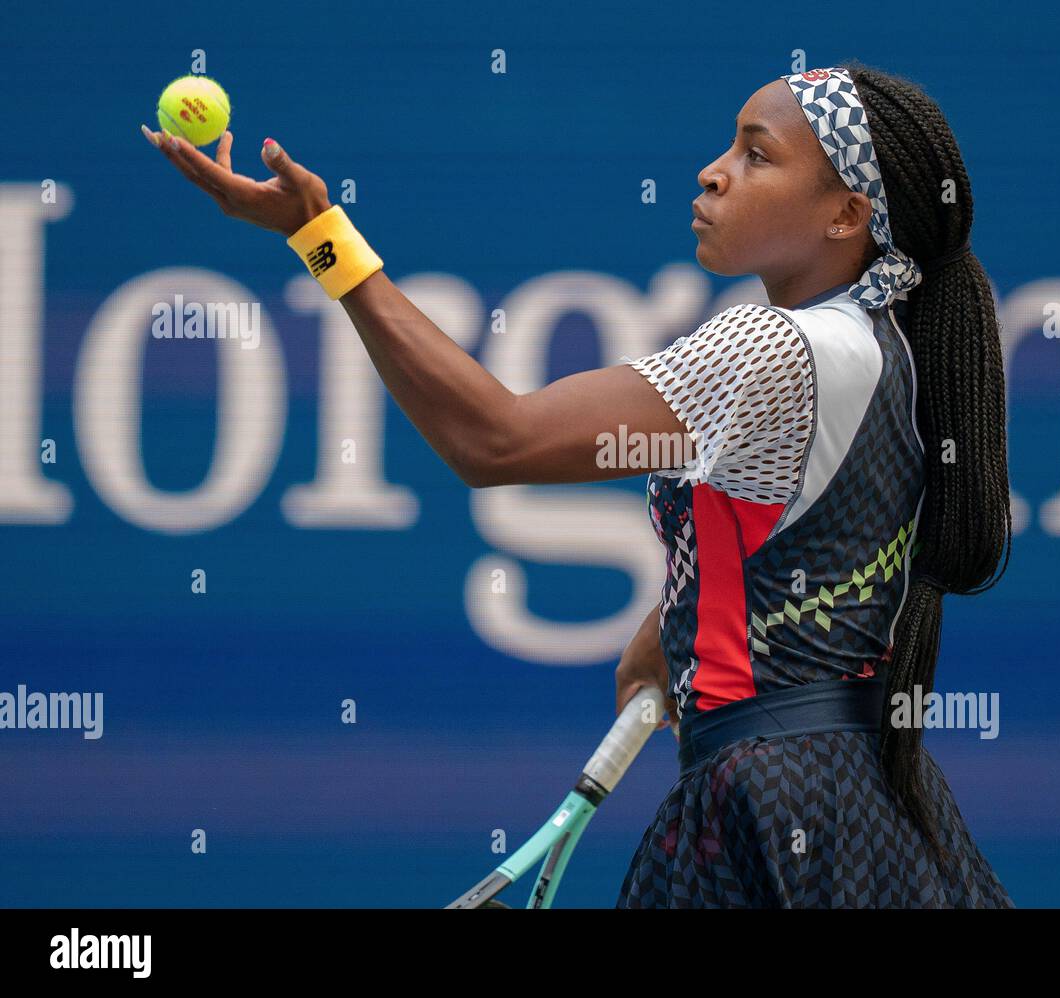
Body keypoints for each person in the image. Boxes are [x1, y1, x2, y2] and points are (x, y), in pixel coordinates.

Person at [143, 58, 1013, 908]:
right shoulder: (884, 343)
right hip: (856, 799)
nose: (712, 174)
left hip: (774, 804)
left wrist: (320, 236)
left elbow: (493, 441)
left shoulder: (769, 348)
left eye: (757, 155)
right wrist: (686, 627)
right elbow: (819, 530)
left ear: (845, 214)